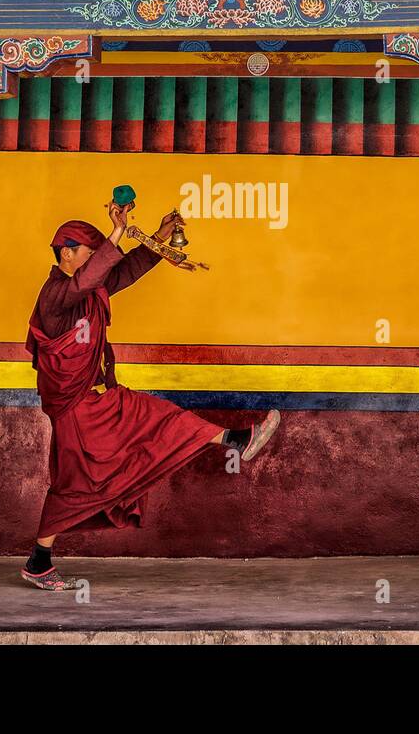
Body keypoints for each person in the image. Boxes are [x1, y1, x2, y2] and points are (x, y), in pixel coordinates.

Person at [21, 202, 280, 590]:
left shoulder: (90, 289)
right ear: (66, 253)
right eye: (90, 255)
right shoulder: (56, 295)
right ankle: (39, 562)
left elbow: (124, 271)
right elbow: (86, 280)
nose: (97, 263)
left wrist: (158, 238)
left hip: (102, 398)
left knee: (159, 416)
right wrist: (116, 232)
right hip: (74, 408)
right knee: (72, 485)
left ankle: (236, 438)